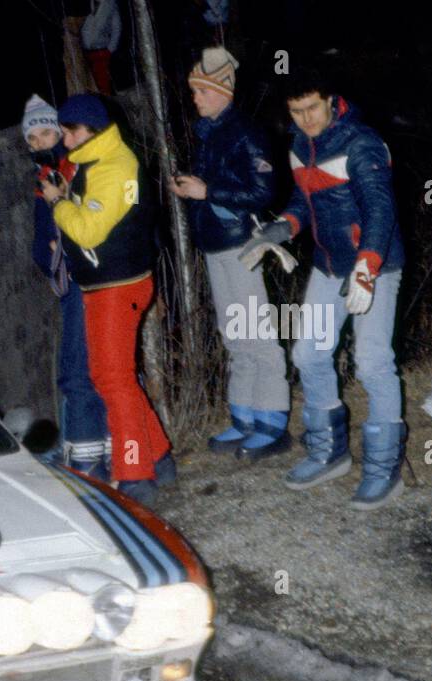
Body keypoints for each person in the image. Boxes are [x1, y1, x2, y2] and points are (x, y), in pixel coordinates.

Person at [240, 67, 407, 509]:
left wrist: (367, 268)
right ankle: (329, 452)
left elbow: (379, 210)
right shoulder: (299, 145)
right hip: (329, 266)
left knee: (372, 363)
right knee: (309, 353)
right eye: (296, 111)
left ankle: (384, 468)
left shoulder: (361, 143)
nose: (307, 119)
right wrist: (283, 227)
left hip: (375, 266)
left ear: (331, 100)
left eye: (313, 107)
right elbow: (304, 200)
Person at [41, 93, 175, 505]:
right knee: (117, 376)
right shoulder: (94, 160)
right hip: (107, 284)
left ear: (92, 130)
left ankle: (135, 474)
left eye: (70, 131)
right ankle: (160, 458)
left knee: (112, 380)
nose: (64, 139)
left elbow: (90, 231)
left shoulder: (116, 165)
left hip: (117, 286)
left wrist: (59, 203)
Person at [169, 47, 291, 461]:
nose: (195, 99)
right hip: (216, 244)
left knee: (258, 333)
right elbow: (215, 185)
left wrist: (207, 191)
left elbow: (263, 191)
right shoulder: (210, 132)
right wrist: (191, 189)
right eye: (194, 92)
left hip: (243, 245)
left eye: (200, 92)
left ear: (221, 91)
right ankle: (243, 418)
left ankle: (272, 421)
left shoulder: (245, 131)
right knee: (234, 334)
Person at [24, 94, 109, 479]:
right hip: (69, 280)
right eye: (33, 138)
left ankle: (87, 462)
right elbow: (43, 239)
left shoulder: (70, 172)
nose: (42, 142)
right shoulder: (45, 177)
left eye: (47, 132)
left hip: (82, 280)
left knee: (78, 371)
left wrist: (64, 246)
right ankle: (90, 448)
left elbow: (85, 225)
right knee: (82, 367)